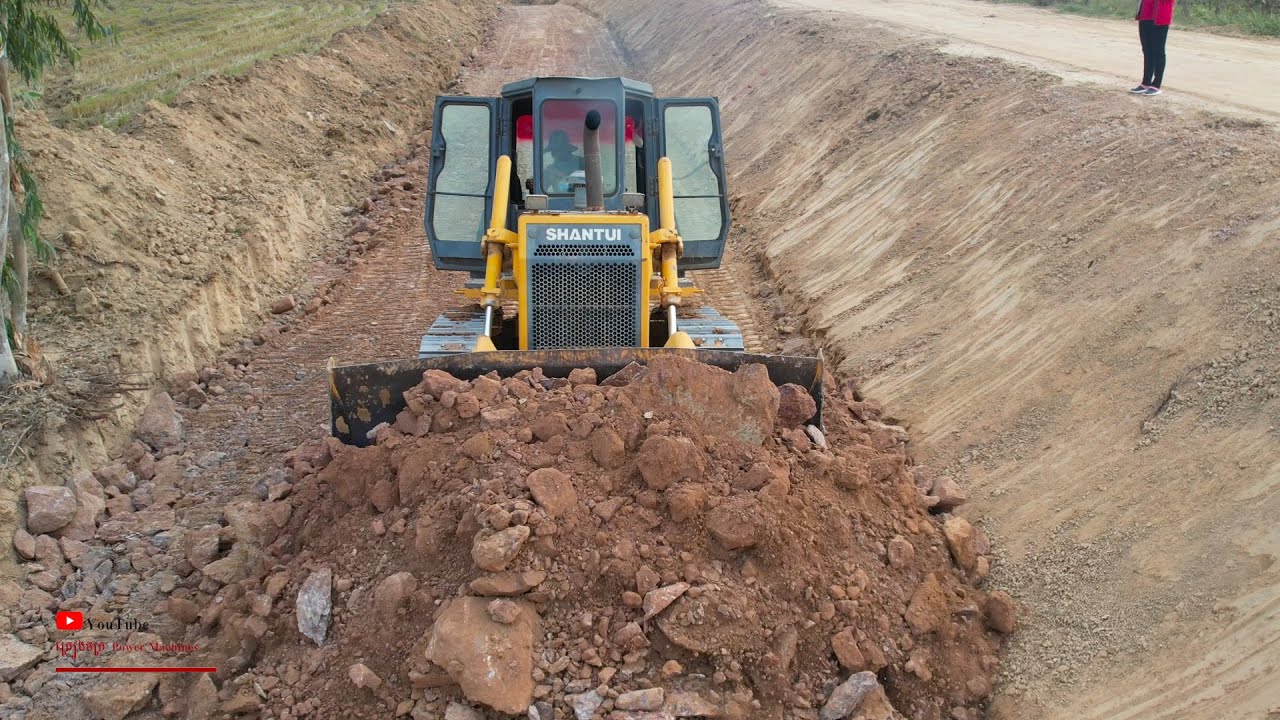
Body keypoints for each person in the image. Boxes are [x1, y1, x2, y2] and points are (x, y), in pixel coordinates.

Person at [1133, 0, 1176, 96]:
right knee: (1147, 50)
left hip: (1160, 16)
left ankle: (1156, 84)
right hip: (1145, 15)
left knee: (1158, 51)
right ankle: (1146, 82)